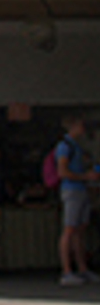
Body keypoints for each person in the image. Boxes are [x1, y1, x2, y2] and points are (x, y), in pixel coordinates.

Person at [55, 115, 98, 286]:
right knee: (69, 229)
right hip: (72, 190)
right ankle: (66, 271)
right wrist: (85, 176)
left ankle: (82, 268)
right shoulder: (64, 147)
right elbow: (62, 172)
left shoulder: (77, 147)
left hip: (81, 189)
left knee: (80, 229)